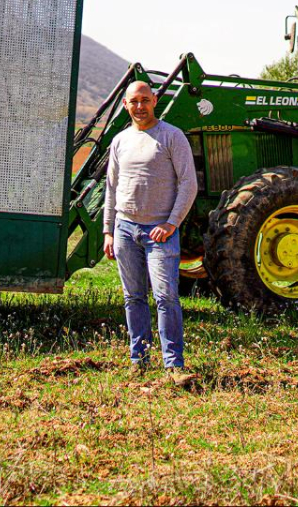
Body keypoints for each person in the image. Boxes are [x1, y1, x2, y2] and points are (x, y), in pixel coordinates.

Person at [103, 80, 198, 379]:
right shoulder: (120, 141)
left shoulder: (172, 136)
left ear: (155, 100)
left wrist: (171, 223)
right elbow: (111, 188)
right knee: (133, 297)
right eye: (134, 101)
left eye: (145, 100)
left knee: (166, 296)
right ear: (125, 105)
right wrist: (108, 230)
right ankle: (138, 360)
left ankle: (174, 365)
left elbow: (188, 184)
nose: (140, 106)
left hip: (161, 232)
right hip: (125, 229)